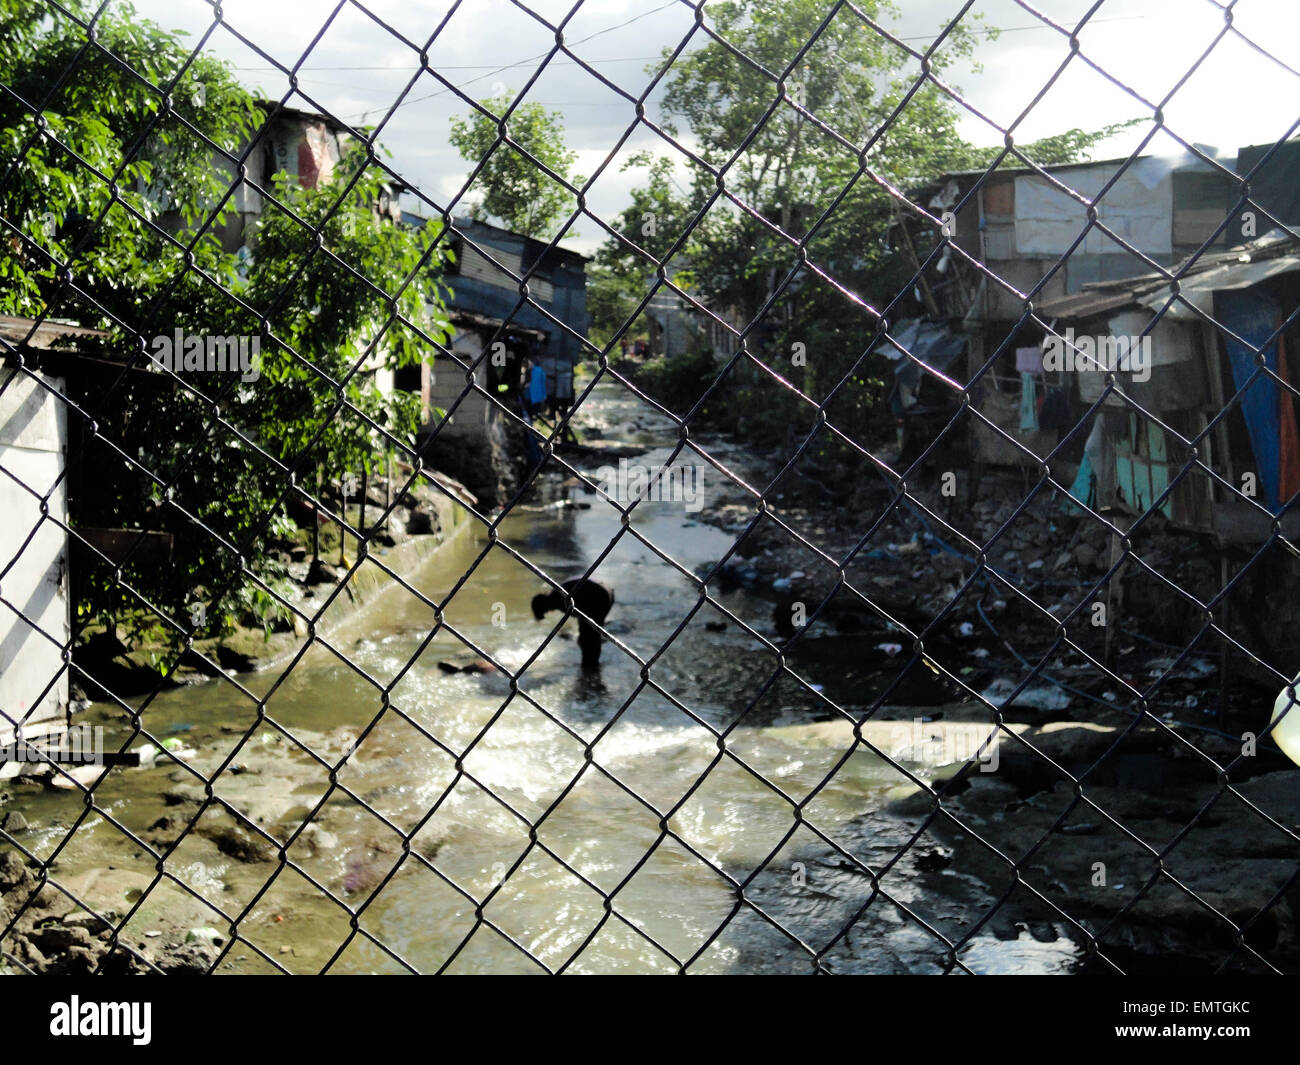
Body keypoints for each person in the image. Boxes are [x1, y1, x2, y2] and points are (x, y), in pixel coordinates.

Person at [532, 577, 615, 669]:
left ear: (544, 606)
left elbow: (580, 615)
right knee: (592, 635)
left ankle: (590, 667)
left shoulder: (558, 599)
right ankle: (592, 665)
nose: (549, 612)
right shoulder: (558, 591)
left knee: (588, 637)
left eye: (545, 611)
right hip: (607, 591)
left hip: (597, 594)